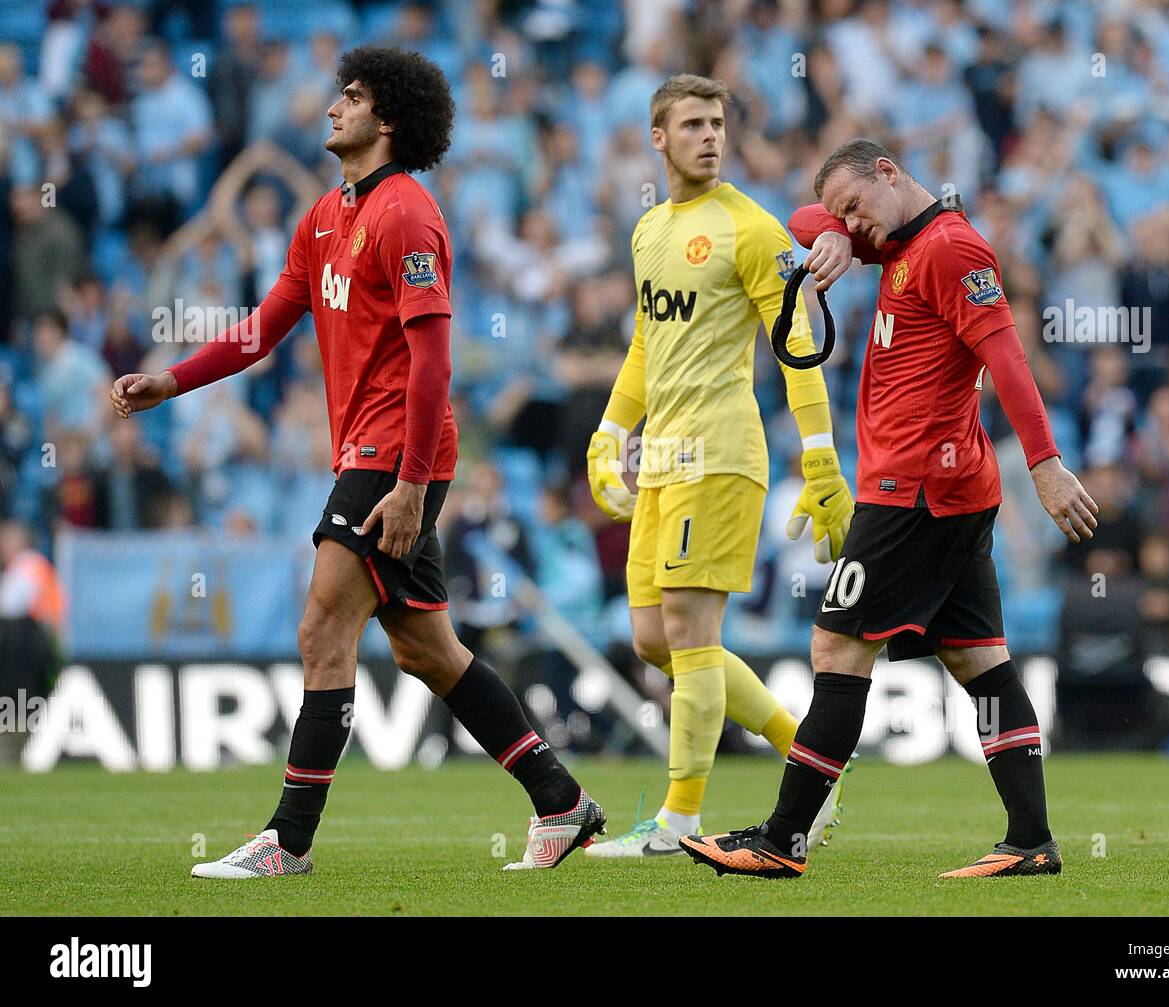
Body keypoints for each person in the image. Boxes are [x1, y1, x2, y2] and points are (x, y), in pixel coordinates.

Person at [110, 46, 604, 878]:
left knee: (321, 629)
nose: (334, 105)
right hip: (378, 453)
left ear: (390, 120)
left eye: (354, 95)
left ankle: (288, 841)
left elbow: (433, 362)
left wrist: (411, 483)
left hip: (396, 454)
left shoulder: (408, 213)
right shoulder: (322, 216)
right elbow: (263, 327)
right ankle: (561, 801)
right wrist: (171, 379)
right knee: (426, 651)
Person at [680, 139, 1097, 879]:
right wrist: (837, 225)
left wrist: (1046, 463)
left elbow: (1008, 359)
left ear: (891, 174)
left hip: (916, 493)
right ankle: (1030, 839)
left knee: (837, 650)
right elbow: (799, 218)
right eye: (845, 215)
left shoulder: (950, 250)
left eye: (857, 205)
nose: (852, 224)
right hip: (946, 490)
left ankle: (783, 837)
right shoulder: (898, 243)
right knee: (980, 661)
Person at [583, 75, 854, 858]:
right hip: (662, 458)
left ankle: (677, 824)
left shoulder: (753, 228)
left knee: (692, 635)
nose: (710, 135)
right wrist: (610, 430)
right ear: (658, 138)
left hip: (722, 452)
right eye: (693, 123)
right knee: (650, 638)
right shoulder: (647, 232)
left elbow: (795, 337)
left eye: (718, 123)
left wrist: (820, 454)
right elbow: (646, 342)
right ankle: (813, 756)